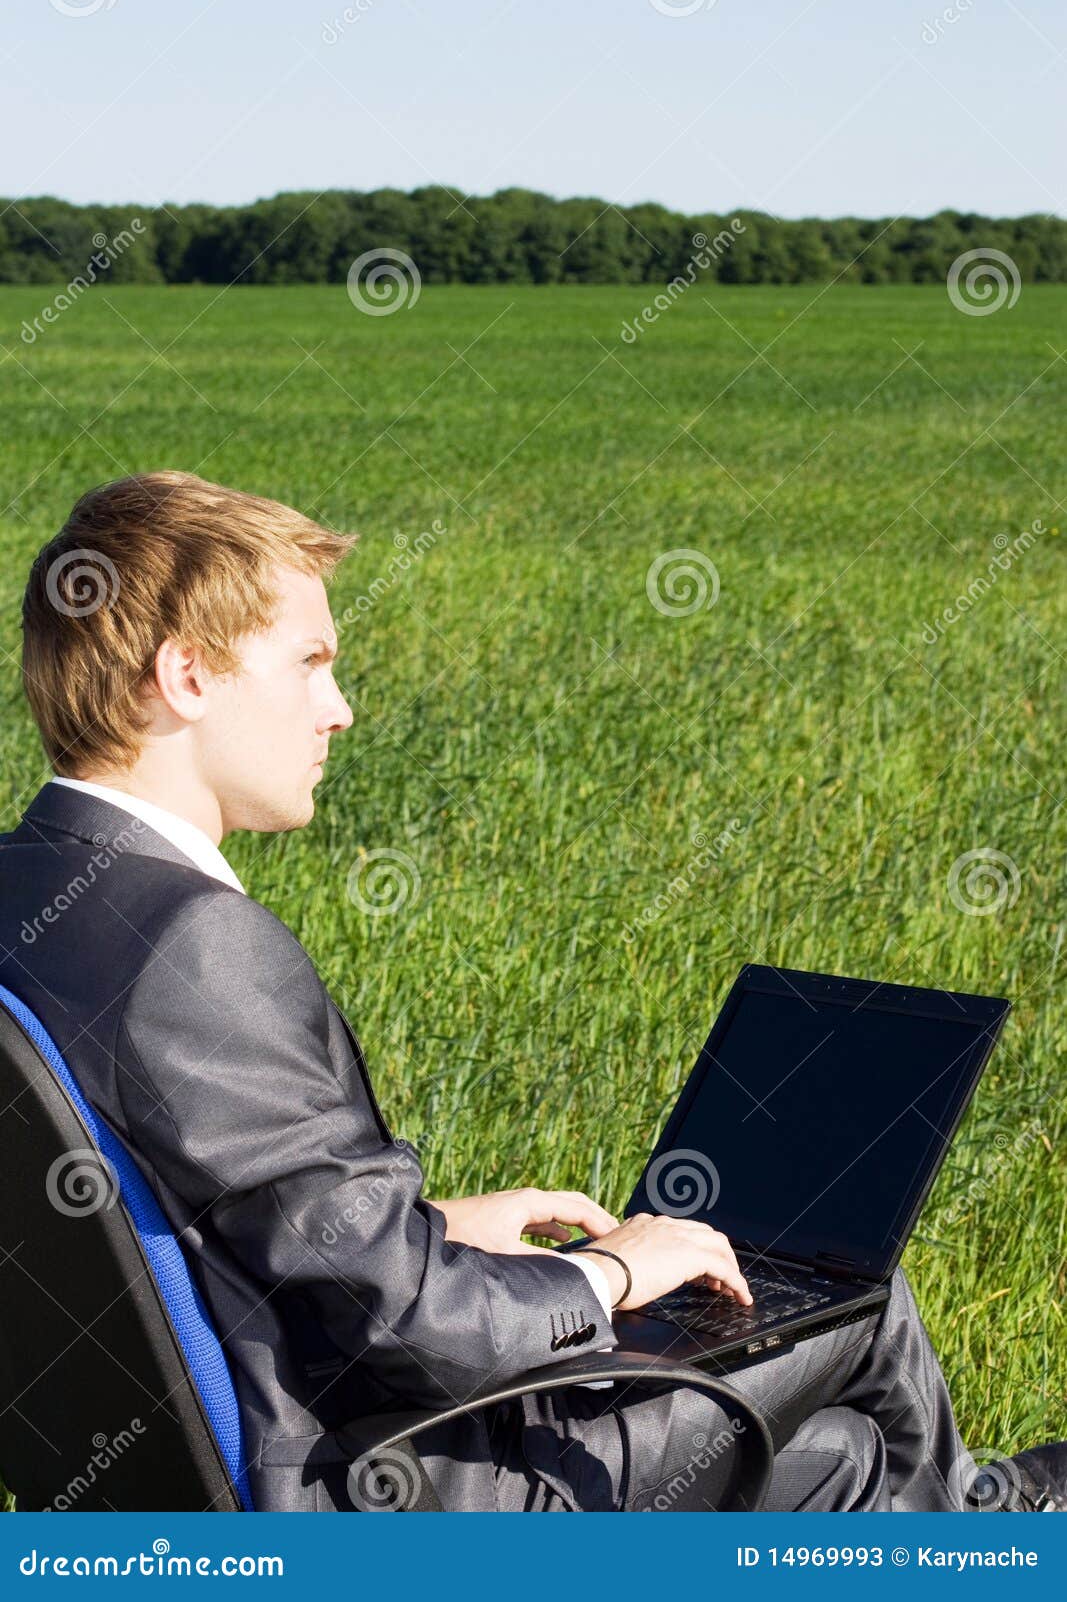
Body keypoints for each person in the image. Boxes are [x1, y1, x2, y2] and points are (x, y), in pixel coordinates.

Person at [0, 469, 1062, 1513]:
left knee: (833, 1454)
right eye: (310, 662)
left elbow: (219, 1237)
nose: (341, 708)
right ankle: (987, 1528)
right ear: (186, 675)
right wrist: (605, 1273)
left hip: (188, 1469)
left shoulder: (34, 890)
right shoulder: (196, 945)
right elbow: (406, 1326)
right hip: (389, 1488)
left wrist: (441, 1229)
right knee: (848, 1298)